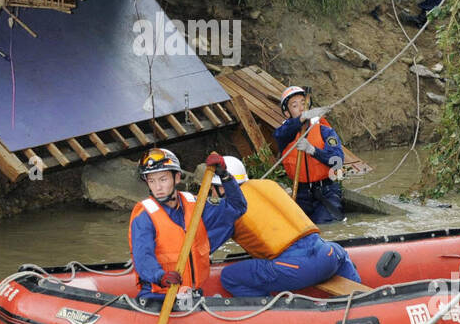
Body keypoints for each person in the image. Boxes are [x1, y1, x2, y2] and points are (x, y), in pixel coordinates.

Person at [209, 157, 362, 297]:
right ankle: (361, 300)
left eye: (211, 190)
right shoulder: (269, 185)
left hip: (297, 268)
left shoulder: (230, 209)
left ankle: (269, 315)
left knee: (229, 276)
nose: (211, 195)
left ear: (222, 188)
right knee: (340, 253)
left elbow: (206, 247)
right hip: (327, 254)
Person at [127, 148, 246, 302]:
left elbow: (237, 207)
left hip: (192, 293)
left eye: (163, 179)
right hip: (159, 295)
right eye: (151, 181)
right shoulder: (144, 216)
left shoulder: (195, 204)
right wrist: (162, 277)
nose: (157, 187)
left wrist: (224, 176)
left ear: (177, 178)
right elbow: (143, 258)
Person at [273, 86, 345, 224]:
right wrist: (302, 118)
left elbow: (338, 159)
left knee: (325, 224)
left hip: (326, 190)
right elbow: (280, 134)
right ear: (287, 113)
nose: (301, 108)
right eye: (295, 106)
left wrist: (313, 150)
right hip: (301, 193)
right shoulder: (284, 134)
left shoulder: (324, 130)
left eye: (303, 103)